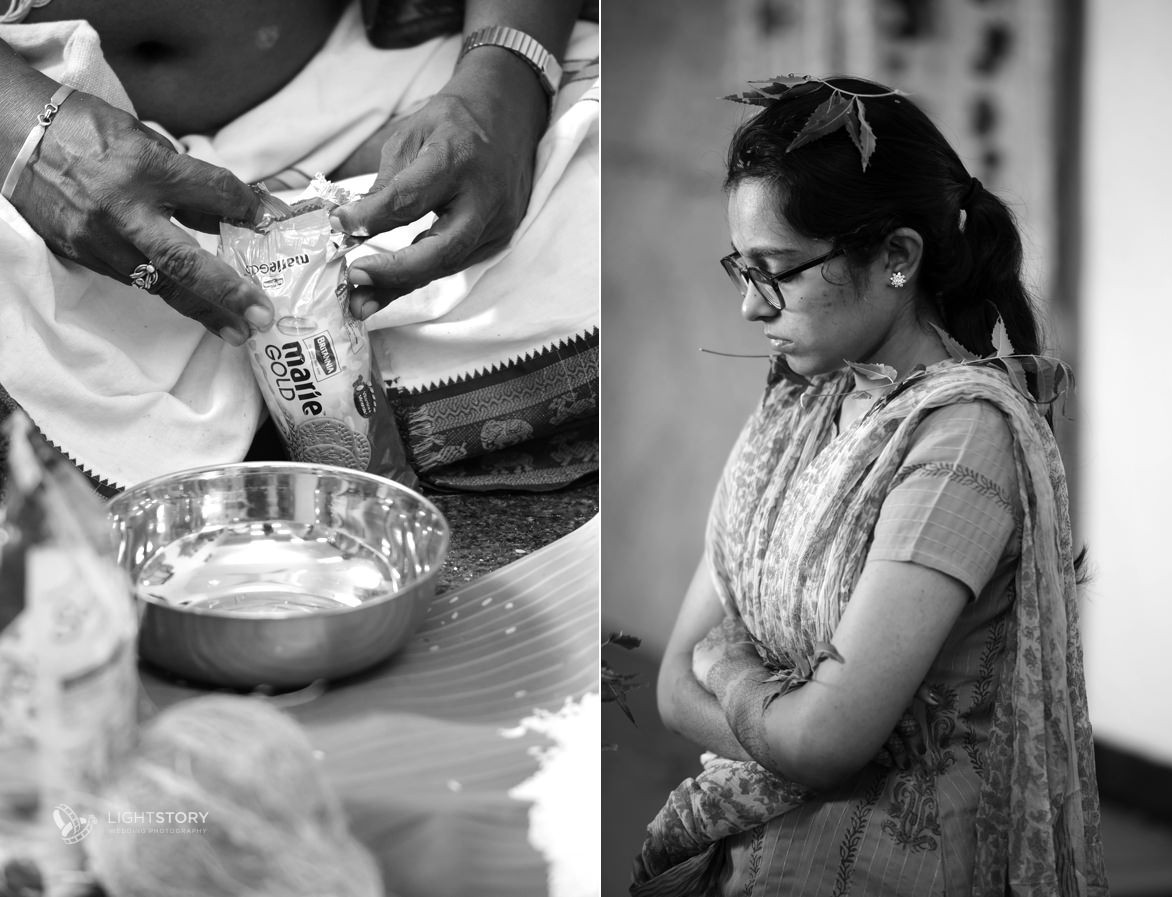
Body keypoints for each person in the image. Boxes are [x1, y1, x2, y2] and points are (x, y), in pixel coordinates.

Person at [632, 76, 1107, 896]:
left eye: (778, 270)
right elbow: (673, 685)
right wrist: (782, 716)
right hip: (746, 845)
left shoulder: (963, 434)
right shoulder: (801, 407)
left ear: (896, 257)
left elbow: (820, 743)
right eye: (742, 268)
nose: (750, 307)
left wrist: (733, 670)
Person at [0, 0, 598, 492]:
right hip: (28, 144)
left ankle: (220, 434)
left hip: (378, 93)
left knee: (612, 191)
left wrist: (507, 77)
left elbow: (507, 79)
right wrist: (33, 138)